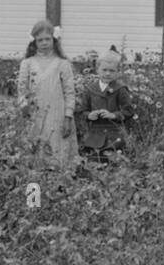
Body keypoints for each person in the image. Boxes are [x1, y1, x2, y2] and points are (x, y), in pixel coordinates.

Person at [17, 19, 76, 168]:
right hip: (35, 114)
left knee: (57, 151)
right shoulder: (28, 63)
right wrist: (24, 108)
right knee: (36, 149)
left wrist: (68, 116)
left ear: (54, 40)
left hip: (57, 114)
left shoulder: (62, 63)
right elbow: (22, 90)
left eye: (47, 39)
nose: (44, 43)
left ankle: (60, 182)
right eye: (40, 40)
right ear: (34, 42)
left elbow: (69, 92)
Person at [76, 51, 133, 162]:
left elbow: (129, 111)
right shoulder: (90, 89)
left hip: (114, 133)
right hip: (94, 134)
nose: (107, 74)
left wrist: (114, 115)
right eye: (104, 70)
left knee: (113, 162)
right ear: (97, 70)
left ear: (117, 72)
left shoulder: (120, 89)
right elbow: (82, 111)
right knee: (93, 161)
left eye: (112, 71)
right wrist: (89, 115)